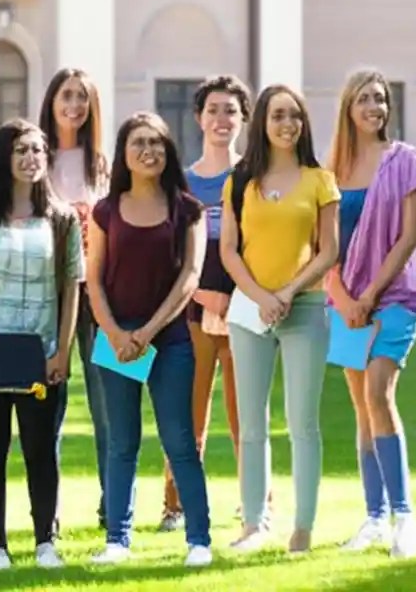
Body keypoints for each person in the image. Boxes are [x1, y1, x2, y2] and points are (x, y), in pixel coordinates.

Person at [0, 118, 81, 571]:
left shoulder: (63, 220)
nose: (30, 159)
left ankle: (45, 541)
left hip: (41, 354)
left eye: (37, 151)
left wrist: (61, 352)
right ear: (4, 159)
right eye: (20, 151)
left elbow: (72, 289)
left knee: (40, 449)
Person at [86, 113, 213, 568]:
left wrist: (147, 333)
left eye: (157, 143)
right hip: (117, 340)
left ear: (168, 152)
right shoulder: (105, 210)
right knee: (122, 442)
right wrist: (118, 334)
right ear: (124, 153)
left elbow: (190, 278)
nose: (149, 151)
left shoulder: (188, 209)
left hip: (171, 340)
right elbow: (93, 280)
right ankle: (117, 541)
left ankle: (199, 540)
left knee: (179, 439)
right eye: (139, 143)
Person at [220, 84, 340, 555]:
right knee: (250, 424)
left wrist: (286, 293)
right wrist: (260, 296)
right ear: (262, 124)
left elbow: (329, 249)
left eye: (295, 115)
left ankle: (303, 527)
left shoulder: (319, 180)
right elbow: (228, 250)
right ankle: (253, 523)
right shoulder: (240, 181)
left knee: (302, 422)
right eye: (277, 115)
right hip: (249, 311)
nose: (287, 123)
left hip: (304, 309)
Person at [325, 68, 416, 559]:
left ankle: (404, 518)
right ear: (348, 107)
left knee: (378, 394)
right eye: (364, 99)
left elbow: (410, 237)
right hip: (345, 304)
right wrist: (344, 299)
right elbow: (321, 247)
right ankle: (373, 517)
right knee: (361, 410)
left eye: (381, 99)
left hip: (395, 298)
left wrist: (371, 294)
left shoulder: (404, 161)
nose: (374, 107)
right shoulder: (333, 171)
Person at [161, 75, 268, 529]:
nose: (222, 119)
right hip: (193, 310)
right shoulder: (182, 184)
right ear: (199, 118)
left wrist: (238, 299)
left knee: (247, 417)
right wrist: (205, 297)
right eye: (213, 110)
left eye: (231, 111)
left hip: (247, 310)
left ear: (244, 119)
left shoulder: (255, 179)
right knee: (188, 416)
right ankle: (175, 506)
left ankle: (257, 505)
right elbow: (172, 254)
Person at [37, 67, 109, 529]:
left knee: (108, 406)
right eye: (66, 96)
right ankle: (50, 512)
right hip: (49, 297)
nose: (74, 106)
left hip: (101, 298)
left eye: (82, 98)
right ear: (52, 101)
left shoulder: (103, 164)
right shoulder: (35, 159)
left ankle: (112, 503)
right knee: (48, 408)